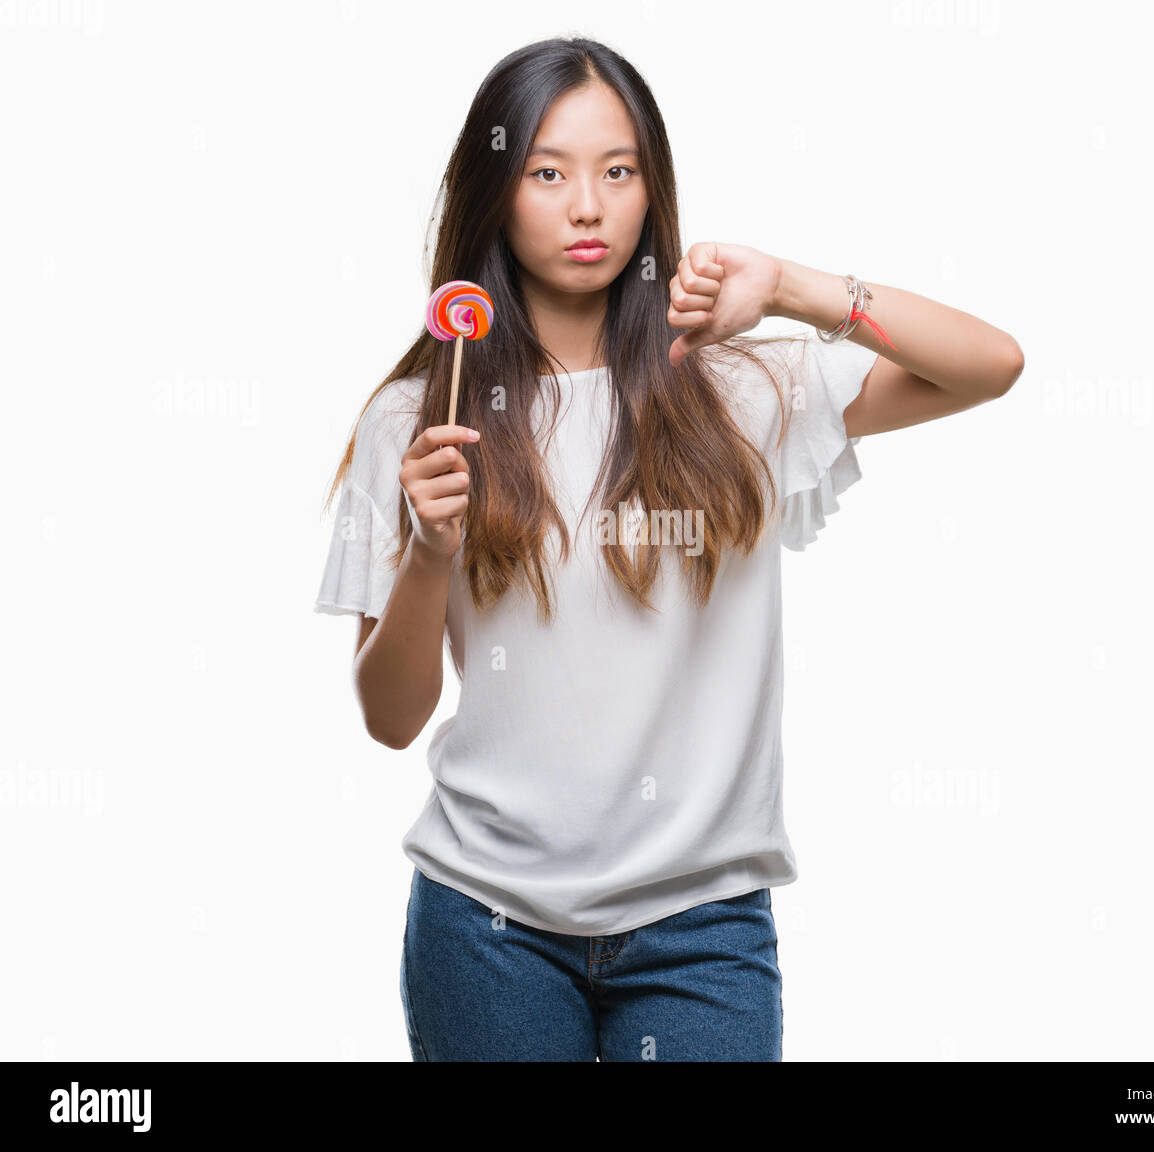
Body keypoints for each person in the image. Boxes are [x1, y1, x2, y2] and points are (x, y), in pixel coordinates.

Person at [313, 37, 1023, 1062]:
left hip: (704, 930)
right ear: (494, 192)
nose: (588, 206)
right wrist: (429, 553)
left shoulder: (737, 389)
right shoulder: (418, 419)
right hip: (486, 927)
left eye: (619, 170)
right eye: (547, 173)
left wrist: (791, 287)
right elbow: (389, 719)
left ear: (654, 189)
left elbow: (988, 367)